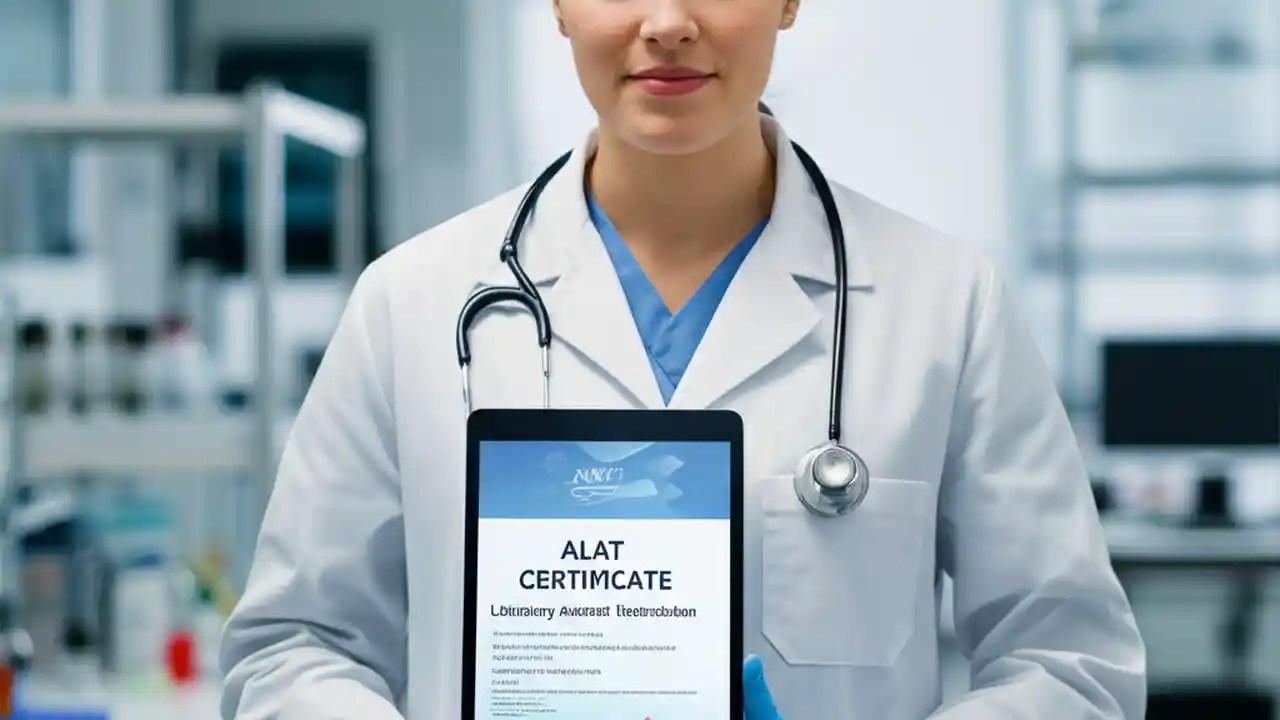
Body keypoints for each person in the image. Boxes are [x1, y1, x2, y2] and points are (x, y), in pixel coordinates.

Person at [219, 1, 1146, 718]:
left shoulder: (943, 306)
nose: (667, 25)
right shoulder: (411, 305)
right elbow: (294, 647)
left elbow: (1070, 662)